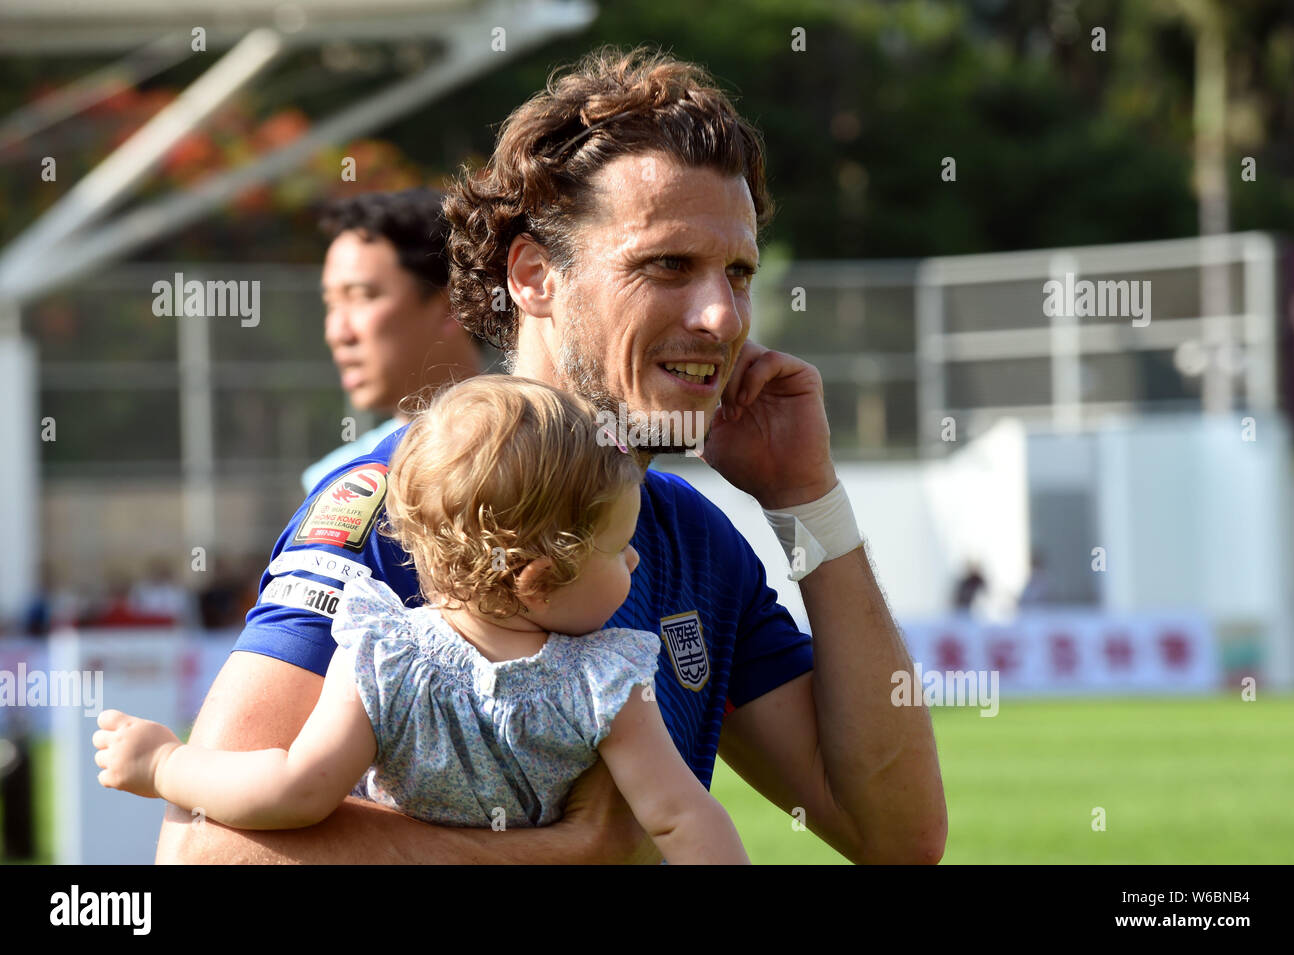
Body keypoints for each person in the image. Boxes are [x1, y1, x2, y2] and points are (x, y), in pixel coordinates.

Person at [157, 46, 946, 864]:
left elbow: (896, 835)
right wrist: (564, 852)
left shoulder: (696, 540)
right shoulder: (399, 507)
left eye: (738, 272)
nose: (722, 315)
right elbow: (206, 853)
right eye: (668, 265)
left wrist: (809, 501)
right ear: (535, 276)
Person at [97, 377, 748, 864]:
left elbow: (294, 787)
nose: (636, 558)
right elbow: (683, 817)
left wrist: (164, 764)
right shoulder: (607, 679)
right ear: (539, 577)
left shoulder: (382, 656)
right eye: (618, 548)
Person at [304, 188, 485, 493]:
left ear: (450, 307)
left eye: (361, 297)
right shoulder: (335, 485)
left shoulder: (549, 454)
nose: (336, 332)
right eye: (331, 304)